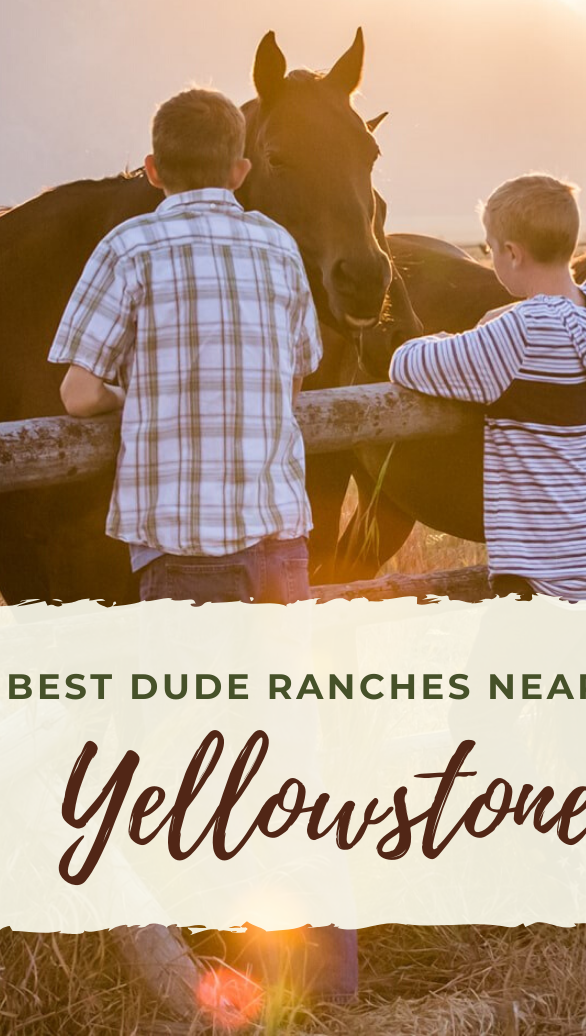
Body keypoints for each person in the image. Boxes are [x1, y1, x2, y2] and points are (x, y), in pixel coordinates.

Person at [49, 85, 357, 999]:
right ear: (240, 167)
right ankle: (326, 980)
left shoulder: (128, 245)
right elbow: (301, 358)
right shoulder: (275, 247)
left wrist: (138, 389)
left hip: (180, 548)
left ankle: (227, 977)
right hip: (276, 542)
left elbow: (75, 392)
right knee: (289, 753)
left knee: (198, 760)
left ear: (151, 168)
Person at [389, 173, 586, 603]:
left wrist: (464, 333)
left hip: (543, 579)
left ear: (511, 253)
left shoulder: (517, 334)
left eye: (491, 249)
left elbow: (407, 364)